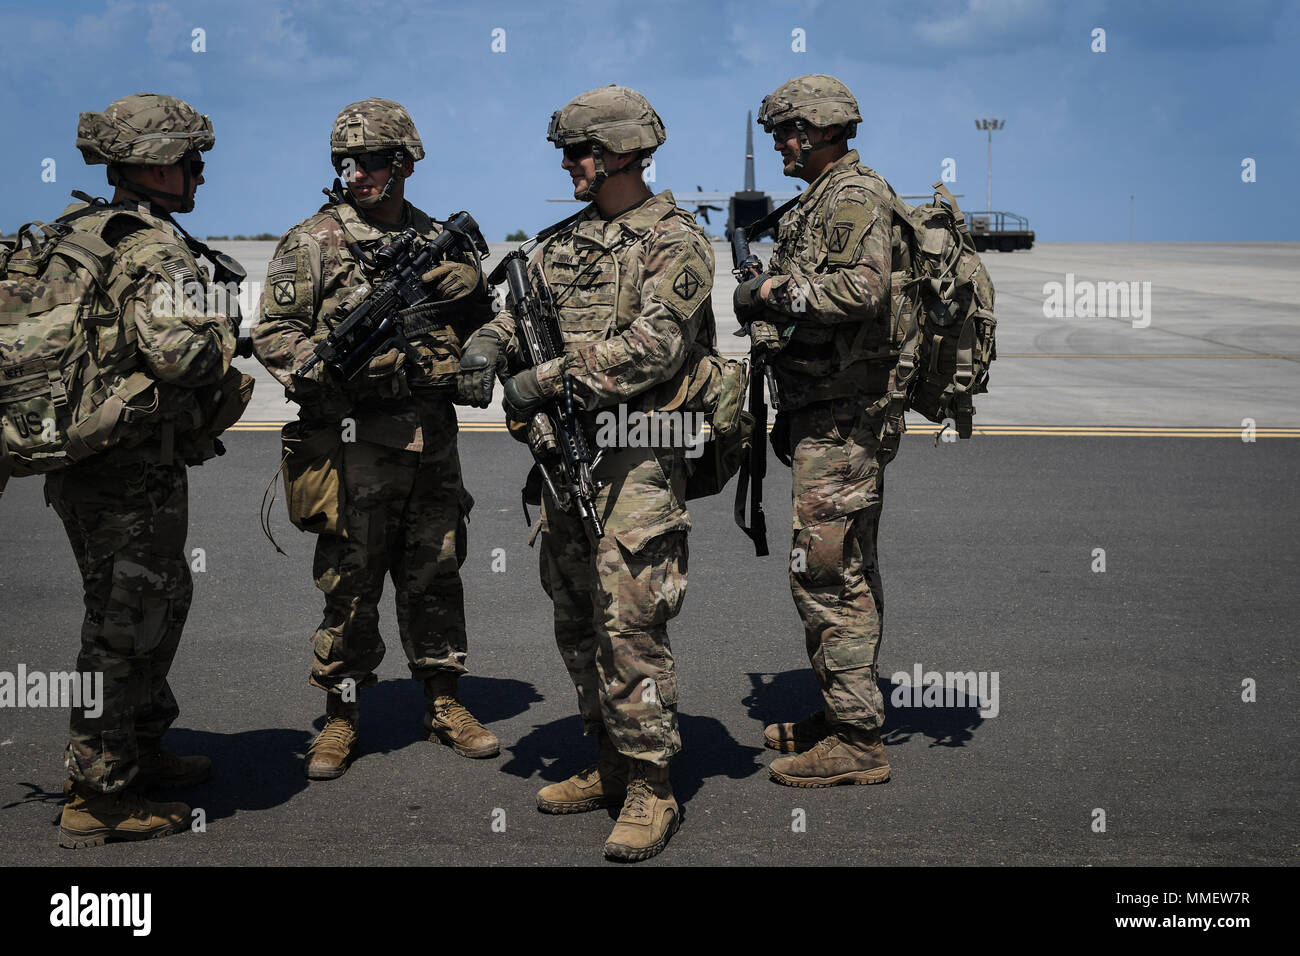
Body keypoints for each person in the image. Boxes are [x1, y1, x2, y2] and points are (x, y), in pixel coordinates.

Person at [459, 85, 714, 861]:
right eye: (567, 153)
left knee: (630, 626)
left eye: (577, 152)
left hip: (634, 457)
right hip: (563, 463)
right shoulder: (562, 242)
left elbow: (654, 348)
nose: (567, 165)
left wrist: (548, 378)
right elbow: (520, 308)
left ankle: (649, 787)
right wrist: (486, 348)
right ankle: (606, 759)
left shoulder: (677, 242)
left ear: (619, 152)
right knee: (576, 619)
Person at [253, 98, 497, 780]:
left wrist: (471, 304)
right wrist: (328, 366)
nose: (354, 172)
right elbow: (273, 333)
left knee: (436, 575)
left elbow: (488, 328)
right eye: (345, 162)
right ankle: (341, 715)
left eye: (369, 161)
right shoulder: (313, 240)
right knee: (351, 587)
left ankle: (444, 701)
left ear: (404, 164)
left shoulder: (436, 241)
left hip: (430, 442)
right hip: (351, 445)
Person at [52, 92, 240, 847]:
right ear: (156, 165)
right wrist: (225, 329)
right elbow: (182, 354)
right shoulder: (152, 246)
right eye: (189, 159)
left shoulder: (81, 230)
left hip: (88, 459)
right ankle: (97, 794)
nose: (198, 172)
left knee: (150, 602)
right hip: (128, 467)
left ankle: (140, 747)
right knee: (123, 625)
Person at [734, 74, 900, 787]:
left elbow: (864, 291)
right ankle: (842, 713)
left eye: (786, 131)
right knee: (842, 569)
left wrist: (768, 292)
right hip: (822, 412)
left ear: (821, 129)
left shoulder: (854, 197)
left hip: (842, 420)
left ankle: (857, 743)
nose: (778, 144)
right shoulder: (821, 200)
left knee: (827, 575)